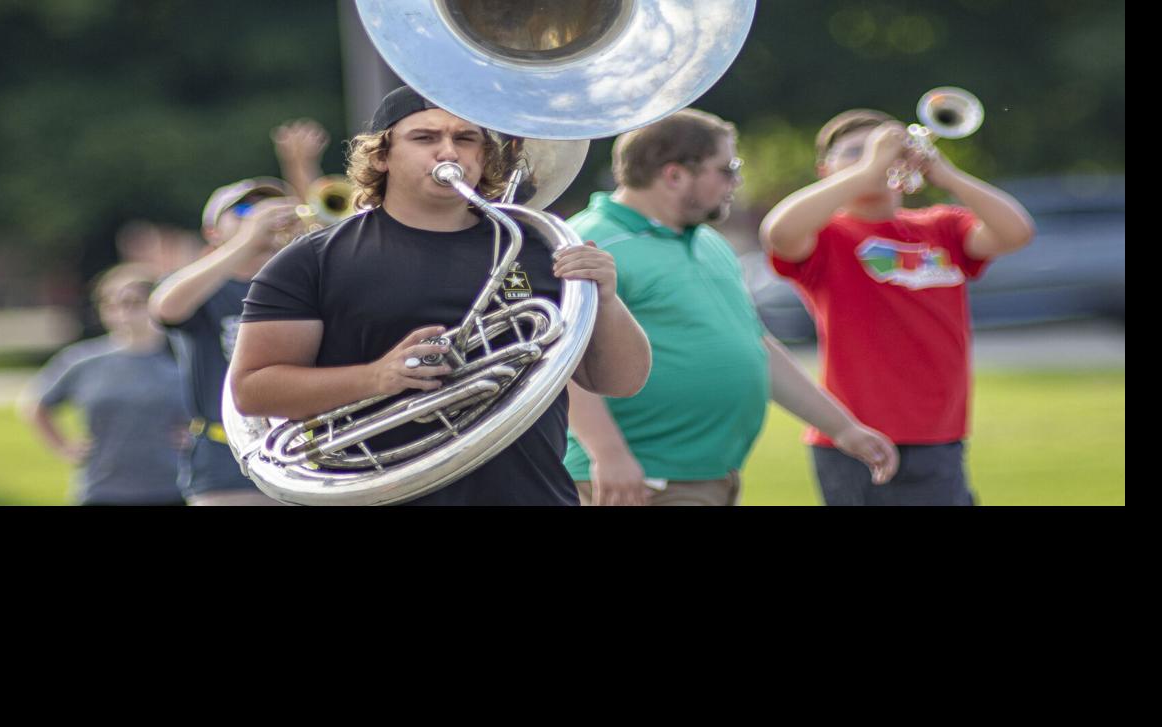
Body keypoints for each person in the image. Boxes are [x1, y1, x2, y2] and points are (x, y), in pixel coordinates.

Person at [229, 87, 651, 506]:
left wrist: (607, 299)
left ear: (484, 155)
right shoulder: (313, 261)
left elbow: (619, 381)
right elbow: (253, 390)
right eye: (425, 138)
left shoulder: (536, 247)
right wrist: (377, 377)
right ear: (381, 156)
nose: (448, 152)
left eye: (465, 139)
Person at [564, 109, 897, 506]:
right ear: (674, 175)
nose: (736, 181)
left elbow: (754, 344)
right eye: (726, 169)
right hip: (639, 481)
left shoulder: (709, 242)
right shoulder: (591, 241)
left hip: (706, 477)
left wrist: (843, 429)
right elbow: (561, 361)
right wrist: (608, 454)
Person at [760, 109, 1036, 505]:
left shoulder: (942, 227)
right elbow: (779, 232)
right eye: (854, 151)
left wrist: (946, 174)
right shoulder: (829, 235)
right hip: (856, 437)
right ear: (826, 170)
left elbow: (1017, 232)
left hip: (940, 433)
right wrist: (867, 168)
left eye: (886, 149)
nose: (874, 158)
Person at [148, 177, 299, 505]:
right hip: (223, 457)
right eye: (244, 209)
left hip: (301, 449)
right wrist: (248, 240)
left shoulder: (300, 286)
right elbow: (164, 307)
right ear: (212, 232)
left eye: (267, 208)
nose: (258, 216)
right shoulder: (205, 287)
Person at [18, 264, 188, 506]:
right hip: (102, 490)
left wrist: (197, 436)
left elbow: (221, 406)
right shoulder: (83, 360)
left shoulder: (184, 355)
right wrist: (64, 447)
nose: (121, 312)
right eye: (110, 304)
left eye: (132, 302)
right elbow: (35, 405)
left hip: (172, 488)